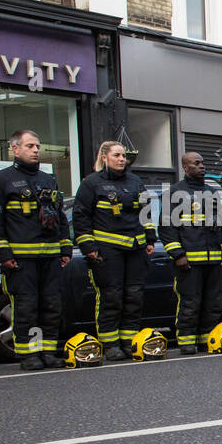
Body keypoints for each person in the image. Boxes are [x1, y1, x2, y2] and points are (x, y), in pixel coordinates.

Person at [0, 129, 70, 369]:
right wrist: (4, 255)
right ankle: (29, 355)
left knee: (52, 306)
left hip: (51, 257)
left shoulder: (48, 179)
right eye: (30, 146)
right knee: (26, 307)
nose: (36, 150)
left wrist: (64, 249)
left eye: (37, 146)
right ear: (15, 149)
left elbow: (61, 217)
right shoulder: (1, 180)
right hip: (22, 260)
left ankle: (48, 352)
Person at [72, 140, 152, 360]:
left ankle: (128, 340)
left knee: (134, 296)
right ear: (104, 157)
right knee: (111, 296)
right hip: (107, 251)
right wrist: (88, 246)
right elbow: (80, 217)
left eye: (124, 155)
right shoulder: (91, 183)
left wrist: (150, 240)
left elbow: (146, 214)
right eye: (117, 155)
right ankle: (109, 344)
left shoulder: (135, 181)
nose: (121, 159)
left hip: (135, 249)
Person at [159, 151, 222, 355]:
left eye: (203, 162)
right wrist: (178, 254)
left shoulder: (213, 192)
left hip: (213, 260)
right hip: (189, 261)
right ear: (185, 167)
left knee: (213, 301)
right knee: (190, 301)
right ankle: (186, 341)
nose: (202, 166)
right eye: (196, 163)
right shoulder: (173, 193)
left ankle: (206, 338)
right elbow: (166, 227)